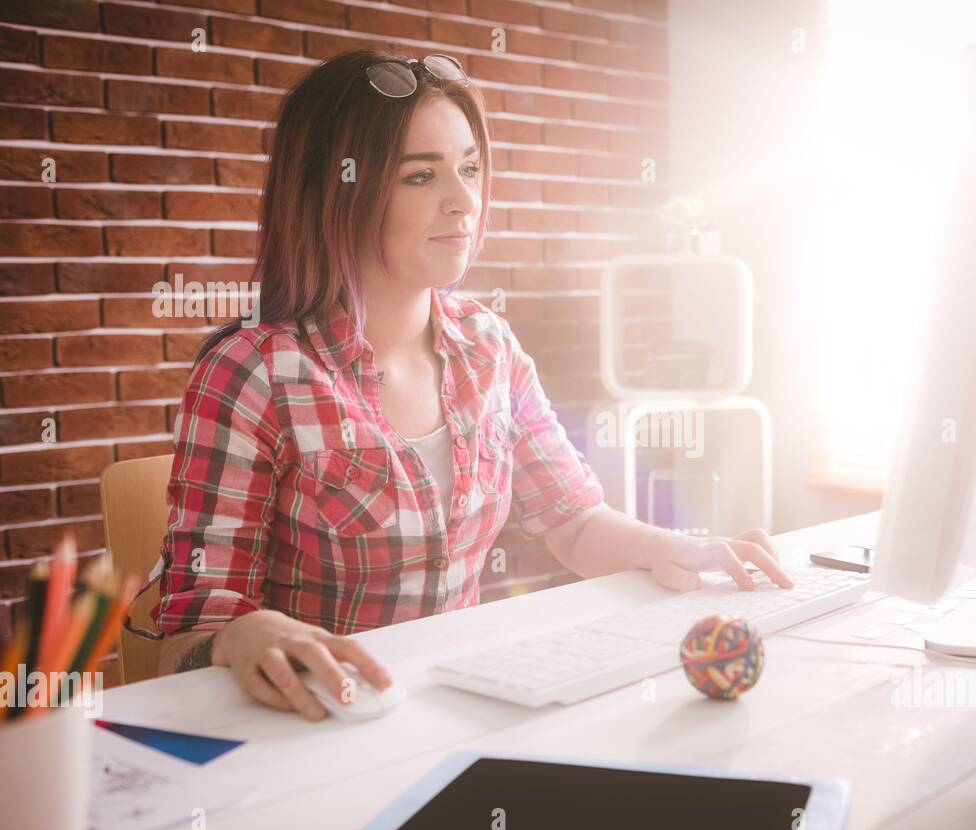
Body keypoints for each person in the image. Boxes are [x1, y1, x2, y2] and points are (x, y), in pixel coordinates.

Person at [152, 50, 792, 720]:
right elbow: (183, 644)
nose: (464, 203)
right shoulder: (253, 372)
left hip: (455, 710)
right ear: (336, 191)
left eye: (470, 168)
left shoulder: (490, 347)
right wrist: (237, 635)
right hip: (315, 726)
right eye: (421, 176)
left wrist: (672, 547)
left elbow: (572, 522)